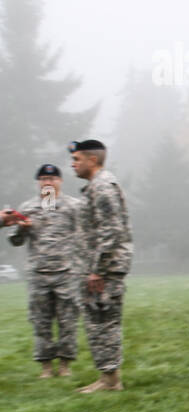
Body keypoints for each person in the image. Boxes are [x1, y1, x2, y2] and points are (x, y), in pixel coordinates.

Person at [2, 164, 83, 377]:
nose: (48, 182)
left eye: (52, 178)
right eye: (43, 179)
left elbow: (85, 236)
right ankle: (46, 367)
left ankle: (65, 366)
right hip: (38, 274)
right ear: (38, 182)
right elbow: (15, 241)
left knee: (68, 320)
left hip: (67, 272)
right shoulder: (28, 207)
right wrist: (21, 227)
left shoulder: (74, 206)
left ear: (61, 181)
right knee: (41, 321)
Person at [65, 140, 133, 393]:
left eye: (77, 159)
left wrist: (97, 269)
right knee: (98, 323)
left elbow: (111, 231)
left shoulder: (103, 187)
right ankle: (107, 377)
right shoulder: (95, 186)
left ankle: (111, 381)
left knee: (104, 323)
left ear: (92, 160)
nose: (73, 164)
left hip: (104, 270)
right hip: (99, 268)